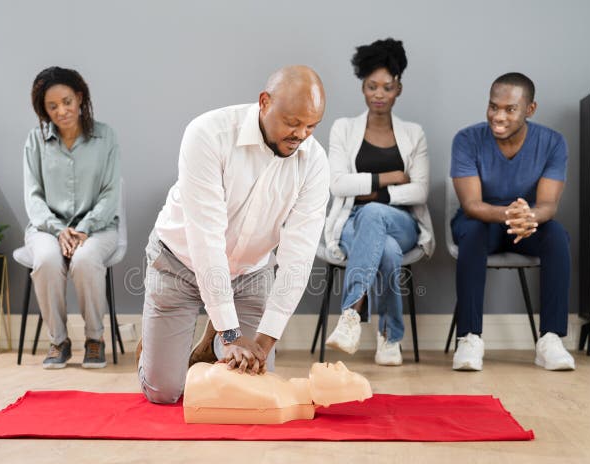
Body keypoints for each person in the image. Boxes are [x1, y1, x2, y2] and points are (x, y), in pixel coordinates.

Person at [137, 66, 330, 404]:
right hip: (178, 261)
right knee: (164, 392)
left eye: (311, 126)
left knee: (252, 380)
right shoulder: (207, 134)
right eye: (292, 122)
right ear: (264, 102)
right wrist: (231, 334)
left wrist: (265, 343)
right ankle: (156, 350)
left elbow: (298, 256)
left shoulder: (314, 162)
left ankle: (210, 340)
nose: (300, 134)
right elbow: (206, 239)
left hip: (249, 273)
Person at [450, 72, 574, 372]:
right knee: (474, 231)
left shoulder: (552, 142)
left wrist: (529, 217)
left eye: (509, 109)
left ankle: (550, 339)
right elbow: (472, 205)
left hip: (526, 225)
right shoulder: (466, 139)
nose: (498, 116)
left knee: (556, 234)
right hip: (480, 222)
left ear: (529, 109)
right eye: (493, 107)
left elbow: (548, 205)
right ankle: (469, 338)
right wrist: (512, 213)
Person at [322, 38, 434, 365]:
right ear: (362, 87)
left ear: (399, 88)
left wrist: (374, 195)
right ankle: (390, 337)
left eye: (387, 87)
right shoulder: (344, 128)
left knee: (375, 212)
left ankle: (349, 316)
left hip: (402, 222)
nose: (379, 94)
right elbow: (337, 184)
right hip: (352, 222)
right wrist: (388, 178)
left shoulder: (414, 133)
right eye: (372, 86)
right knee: (384, 247)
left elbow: (420, 191)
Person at [23, 66, 120, 369]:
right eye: (52, 106)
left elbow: (110, 193)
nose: (61, 111)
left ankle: (95, 339)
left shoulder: (105, 137)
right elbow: (33, 196)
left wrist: (84, 228)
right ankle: (58, 341)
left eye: (66, 101)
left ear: (79, 97)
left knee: (85, 260)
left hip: (98, 227)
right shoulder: (35, 141)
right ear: (44, 110)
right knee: (47, 262)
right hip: (47, 228)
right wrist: (58, 230)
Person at [183, 361, 372, 424]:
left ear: (328, 398)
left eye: (347, 376)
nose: (341, 365)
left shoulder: (276, 399)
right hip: (199, 371)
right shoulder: (281, 386)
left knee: (164, 392)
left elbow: (218, 377)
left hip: (196, 379)